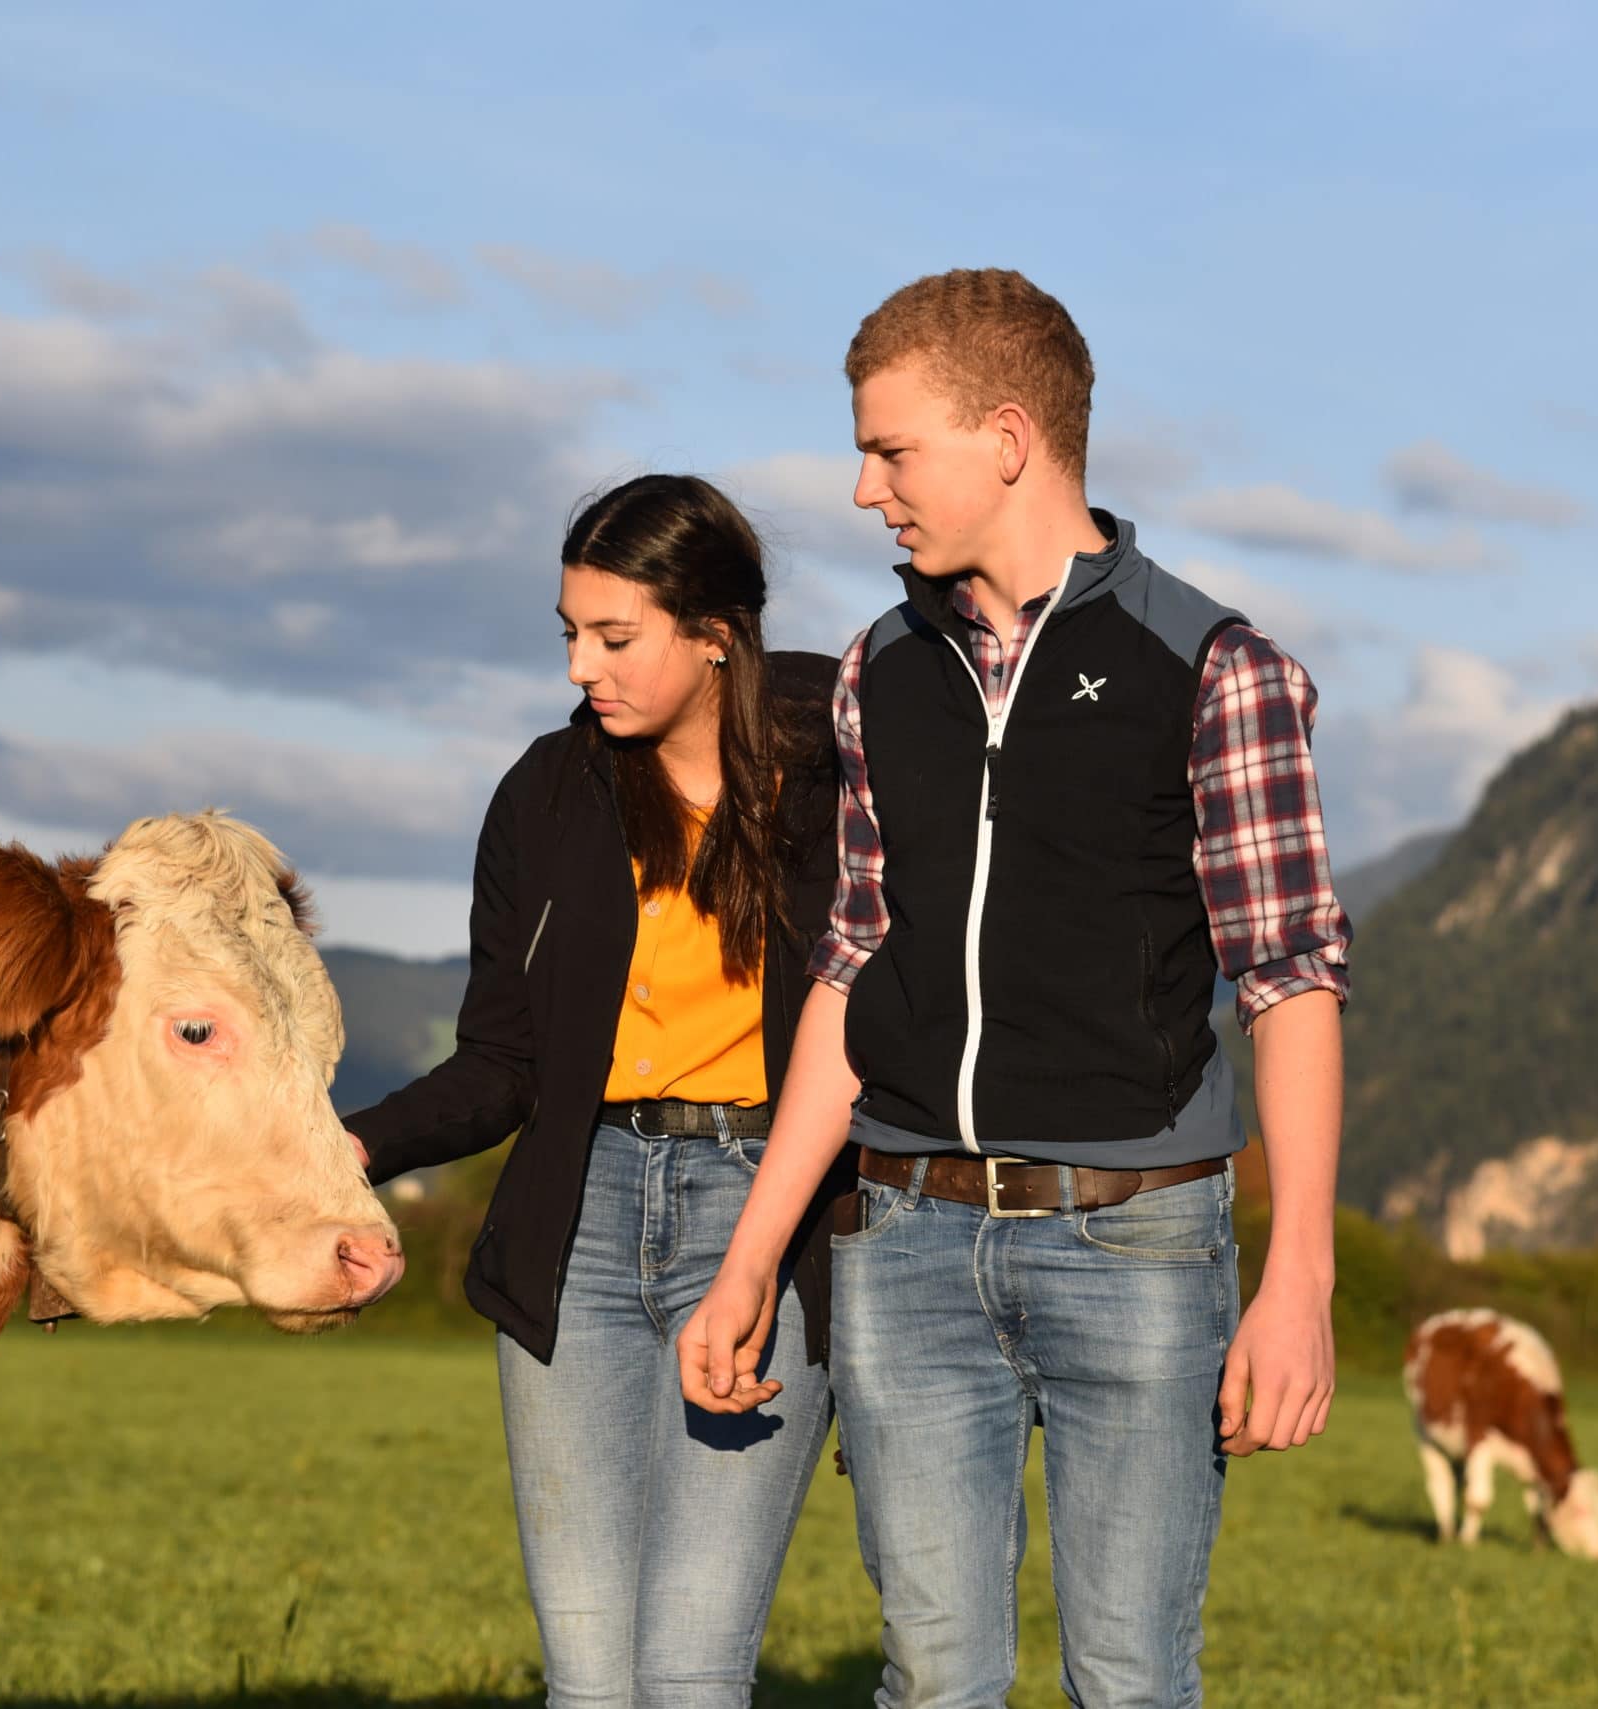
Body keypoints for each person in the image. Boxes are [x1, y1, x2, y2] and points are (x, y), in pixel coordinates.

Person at [680, 269, 1353, 1708]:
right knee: (930, 1682)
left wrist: (1299, 1273)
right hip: (907, 1243)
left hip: (1139, 1248)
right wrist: (751, 1257)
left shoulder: (1214, 668)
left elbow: (1290, 977)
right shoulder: (878, 672)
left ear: (1006, 437)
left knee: (1126, 1677)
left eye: (890, 449)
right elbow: (850, 966)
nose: (866, 491)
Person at [344, 473, 853, 1708]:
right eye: (569, 633)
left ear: (714, 634)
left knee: (686, 1666)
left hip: (767, 1222)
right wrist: (338, 1146)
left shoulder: (848, 772)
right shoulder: (545, 791)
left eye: (613, 636)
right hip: (574, 1229)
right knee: (586, 1675)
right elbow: (502, 1060)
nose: (582, 665)